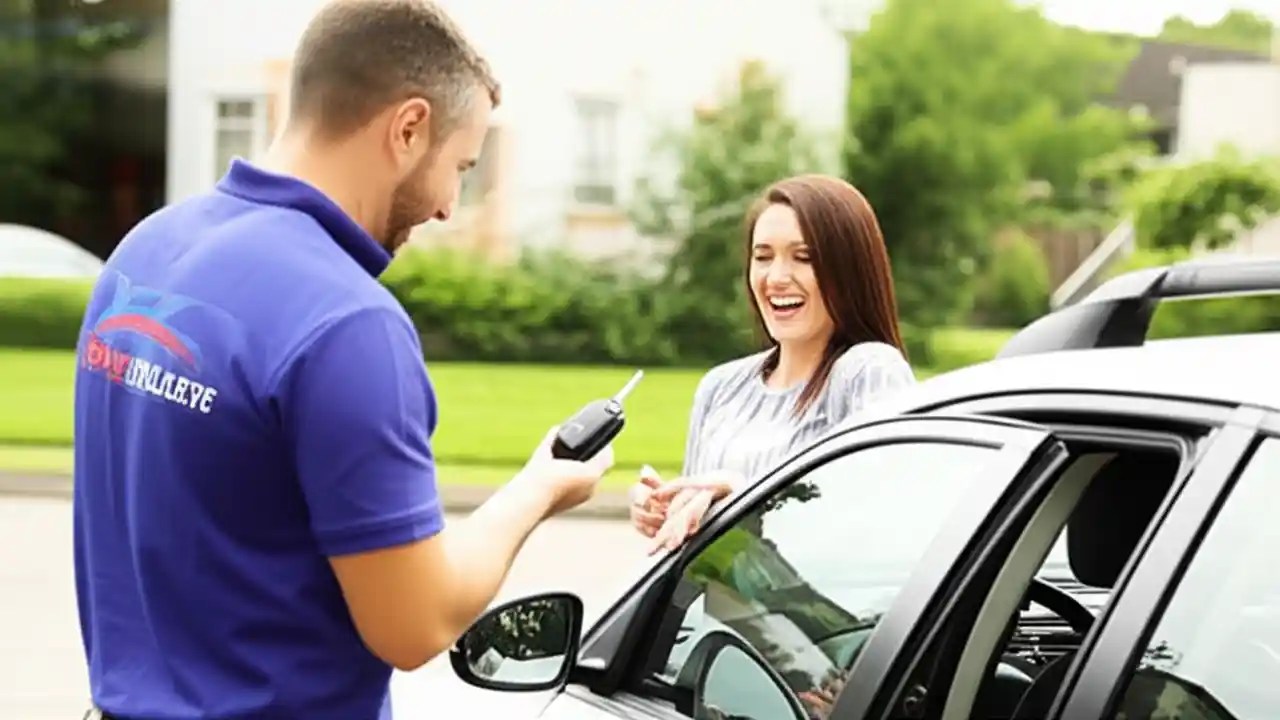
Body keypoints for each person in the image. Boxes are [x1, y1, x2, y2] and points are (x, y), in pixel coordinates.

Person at [71, 2, 612, 719]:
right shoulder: (348, 323)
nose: (451, 205)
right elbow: (414, 624)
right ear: (408, 127)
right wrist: (539, 490)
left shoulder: (146, 249)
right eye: (461, 167)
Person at [631, 174, 915, 553]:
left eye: (804, 258)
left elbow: (881, 522)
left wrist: (744, 495)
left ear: (850, 271)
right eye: (763, 257)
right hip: (710, 611)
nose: (776, 278)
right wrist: (670, 507)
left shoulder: (867, 372)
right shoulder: (721, 386)